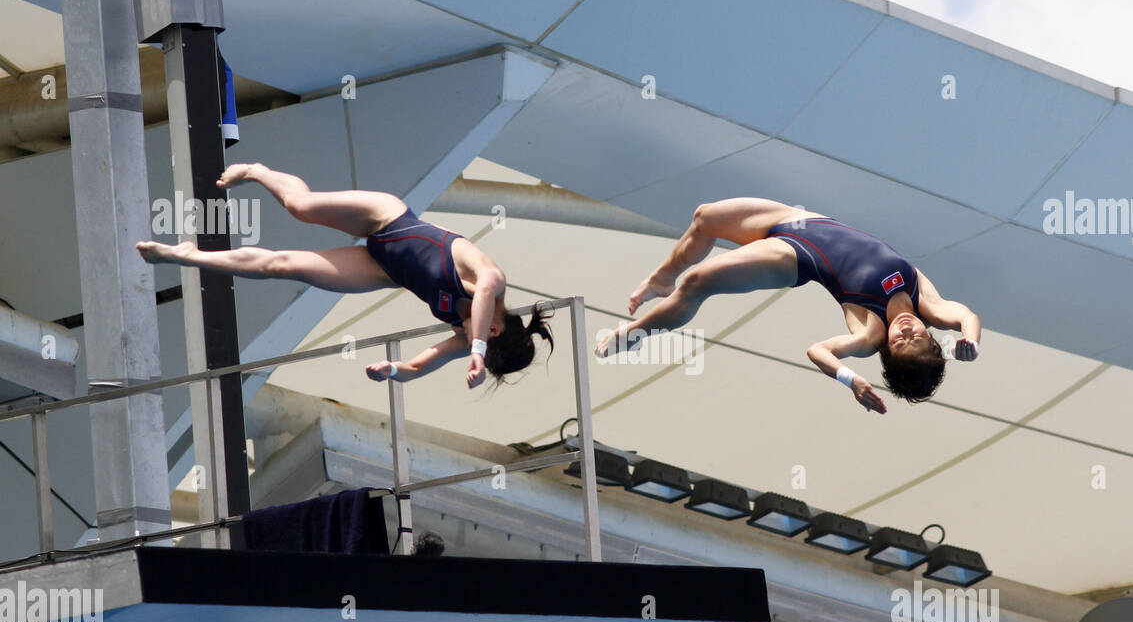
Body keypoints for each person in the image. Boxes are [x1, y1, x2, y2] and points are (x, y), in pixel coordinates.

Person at [136, 163, 552, 389]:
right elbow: (479, 303)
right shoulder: (492, 280)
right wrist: (477, 350)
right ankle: (260, 171)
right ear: (495, 329)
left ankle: (188, 257)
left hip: (383, 269)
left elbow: (421, 365)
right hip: (388, 218)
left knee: (284, 267)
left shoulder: (471, 337)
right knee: (300, 206)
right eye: (478, 339)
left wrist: (392, 371)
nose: (464, 337)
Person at [600, 198, 980, 413]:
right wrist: (971, 342)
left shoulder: (870, 332)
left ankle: (635, 333)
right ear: (932, 337)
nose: (905, 331)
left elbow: (818, 350)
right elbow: (967, 316)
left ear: (887, 349)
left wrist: (850, 379)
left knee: (698, 283)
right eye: (915, 337)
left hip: (796, 255)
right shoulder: (927, 302)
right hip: (805, 221)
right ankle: (662, 277)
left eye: (900, 343)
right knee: (703, 217)